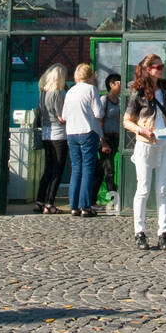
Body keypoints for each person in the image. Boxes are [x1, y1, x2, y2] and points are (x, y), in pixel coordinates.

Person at [123, 53, 166, 251]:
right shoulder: (138, 92)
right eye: (158, 67)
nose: (161, 69)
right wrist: (142, 129)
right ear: (148, 69)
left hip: (165, 141)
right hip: (146, 142)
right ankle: (139, 232)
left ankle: (163, 233)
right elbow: (126, 120)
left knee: (163, 189)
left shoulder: (164, 87)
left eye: (162, 66)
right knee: (144, 189)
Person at [63, 63, 103, 217]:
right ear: (89, 76)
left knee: (76, 168)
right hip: (87, 131)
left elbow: (64, 116)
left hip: (71, 133)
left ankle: (74, 206)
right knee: (88, 168)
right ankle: (85, 206)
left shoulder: (70, 91)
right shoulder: (91, 89)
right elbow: (98, 113)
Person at [34, 63, 68, 214]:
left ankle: (39, 201)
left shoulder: (42, 92)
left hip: (46, 132)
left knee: (48, 168)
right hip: (58, 133)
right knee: (58, 169)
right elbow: (61, 117)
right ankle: (49, 203)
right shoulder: (57, 92)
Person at [92, 70, 122, 206]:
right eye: (119, 83)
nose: (122, 86)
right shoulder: (104, 100)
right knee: (109, 171)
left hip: (115, 139)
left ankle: (91, 199)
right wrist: (102, 142)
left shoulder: (120, 101)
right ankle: (114, 202)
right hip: (105, 140)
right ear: (111, 84)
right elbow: (99, 121)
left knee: (100, 171)